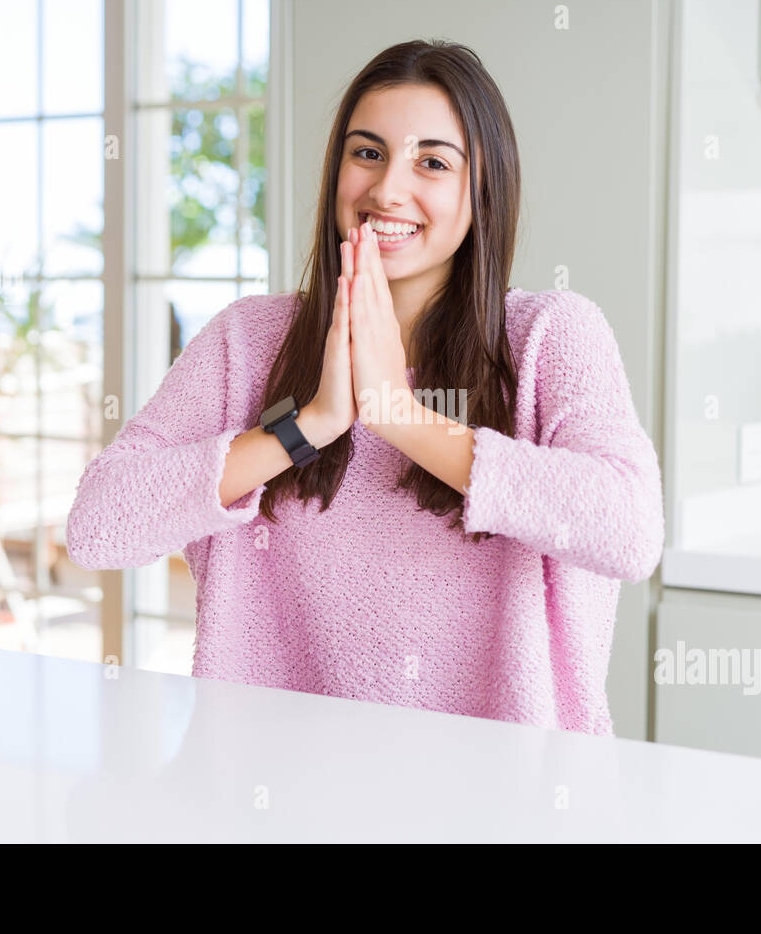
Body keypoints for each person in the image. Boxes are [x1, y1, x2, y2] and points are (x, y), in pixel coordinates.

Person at [66, 39, 664, 736]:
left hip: (501, 805)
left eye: (432, 162)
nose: (386, 189)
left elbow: (631, 531)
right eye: (367, 152)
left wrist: (398, 416)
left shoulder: (550, 337)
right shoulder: (247, 341)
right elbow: (97, 526)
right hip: (272, 800)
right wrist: (307, 425)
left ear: (484, 189)